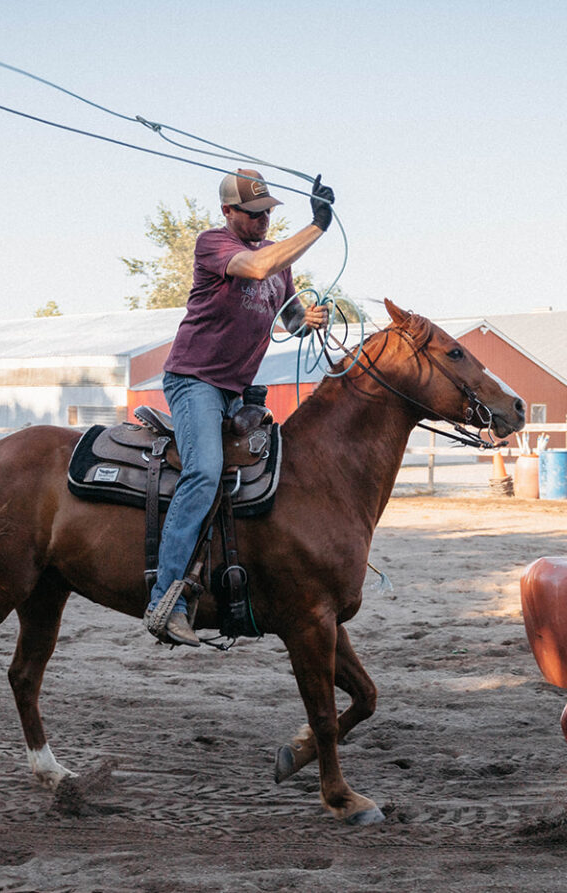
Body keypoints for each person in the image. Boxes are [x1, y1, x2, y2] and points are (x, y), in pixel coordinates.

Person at [143, 168, 335, 647]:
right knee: (205, 473)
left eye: (267, 212)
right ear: (228, 212)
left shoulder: (276, 262)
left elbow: (285, 311)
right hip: (195, 380)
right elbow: (255, 270)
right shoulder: (214, 245)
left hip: (236, 387)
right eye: (253, 214)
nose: (262, 220)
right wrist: (316, 227)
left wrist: (306, 318)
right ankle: (166, 600)